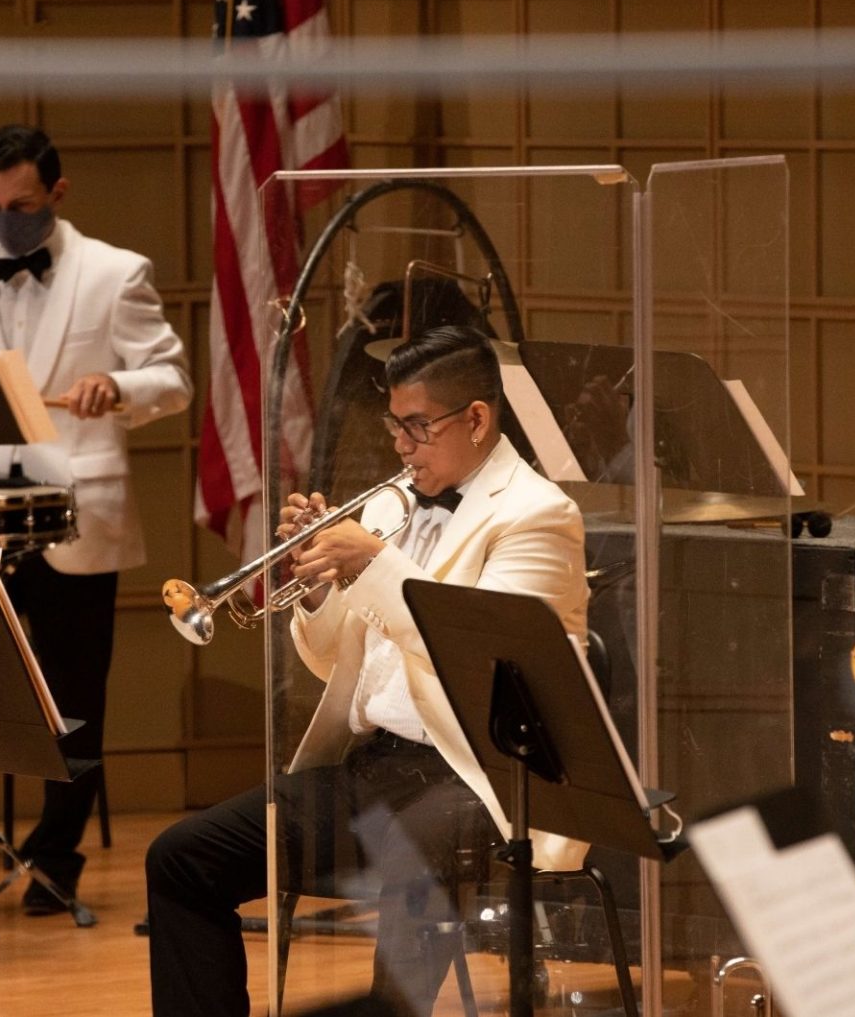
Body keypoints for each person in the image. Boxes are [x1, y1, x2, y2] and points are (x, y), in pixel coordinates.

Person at [146, 325, 590, 1016]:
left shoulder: (539, 514)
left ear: (477, 418)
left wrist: (373, 565)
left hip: (477, 771)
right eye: (395, 425)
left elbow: (482, 657)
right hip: (376, 767)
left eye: (418, 427)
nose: (401, 446)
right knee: (181, 857)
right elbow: (334, 659)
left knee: (410, 857)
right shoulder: (392, 505)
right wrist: (321, 586)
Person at [0, 124, 192, 913]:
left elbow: (171, 378)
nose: (7, 221)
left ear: (58, 194)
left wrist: (119, 384)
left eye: (23, 205)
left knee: (74, 698)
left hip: (78, 509)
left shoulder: (116, 271)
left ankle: (52, 859)